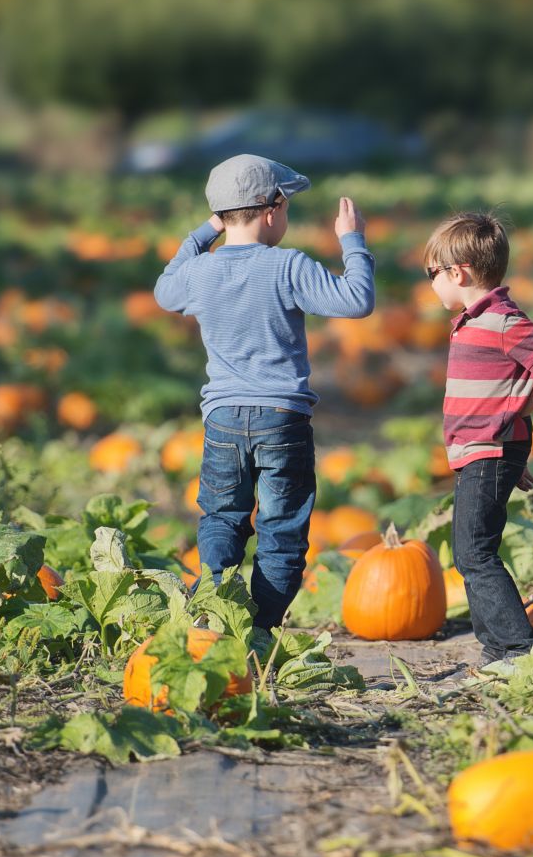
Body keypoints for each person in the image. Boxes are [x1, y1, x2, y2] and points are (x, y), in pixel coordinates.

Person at [153, 154, 376, 629]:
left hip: (223, 419)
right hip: (283, 419)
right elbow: (357, 301)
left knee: (221, 518)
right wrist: (351, 242)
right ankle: (261, 628)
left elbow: (163, 290)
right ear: (273, 209)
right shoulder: (288, 266)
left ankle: (215, 616)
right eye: (286, 209)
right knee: (281, 532)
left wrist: (206, 230)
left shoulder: (200, 272)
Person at [423, 211, 533, 665]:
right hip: (485, 452)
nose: (430, 284)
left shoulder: (503, 320)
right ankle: (496, 645)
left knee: (475, 551)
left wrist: (516, 415)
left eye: (432, 274)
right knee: (470, 551)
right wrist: (509, 442)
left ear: (457, 272)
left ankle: (518, 650)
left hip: (489, 450)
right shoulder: (474, 320)